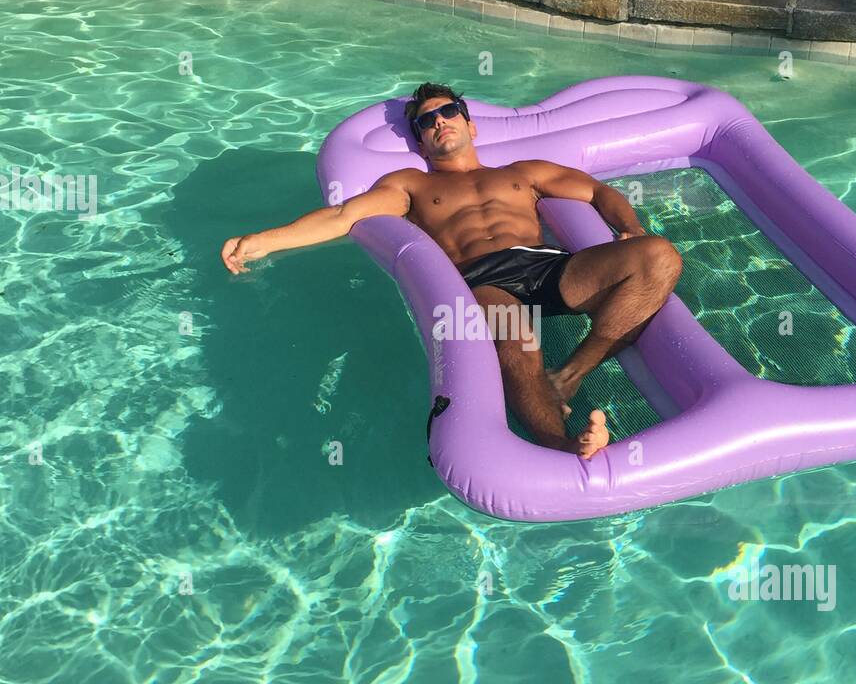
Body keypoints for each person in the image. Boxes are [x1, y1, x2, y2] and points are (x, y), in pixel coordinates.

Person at [221, 83, 682, 460]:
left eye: (448, 112)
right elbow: (343, 217)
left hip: (546, 267)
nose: (439, 121)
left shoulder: (524, 171)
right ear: (420, 140)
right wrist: (264, 240)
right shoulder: (411, 185)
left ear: (469, 123)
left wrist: (629, 227)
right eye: (426, 121)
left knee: (659, 255)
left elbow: (600, 192)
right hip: (484, 280)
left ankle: (573, 373)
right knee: (515, 340)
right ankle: (562, 448)